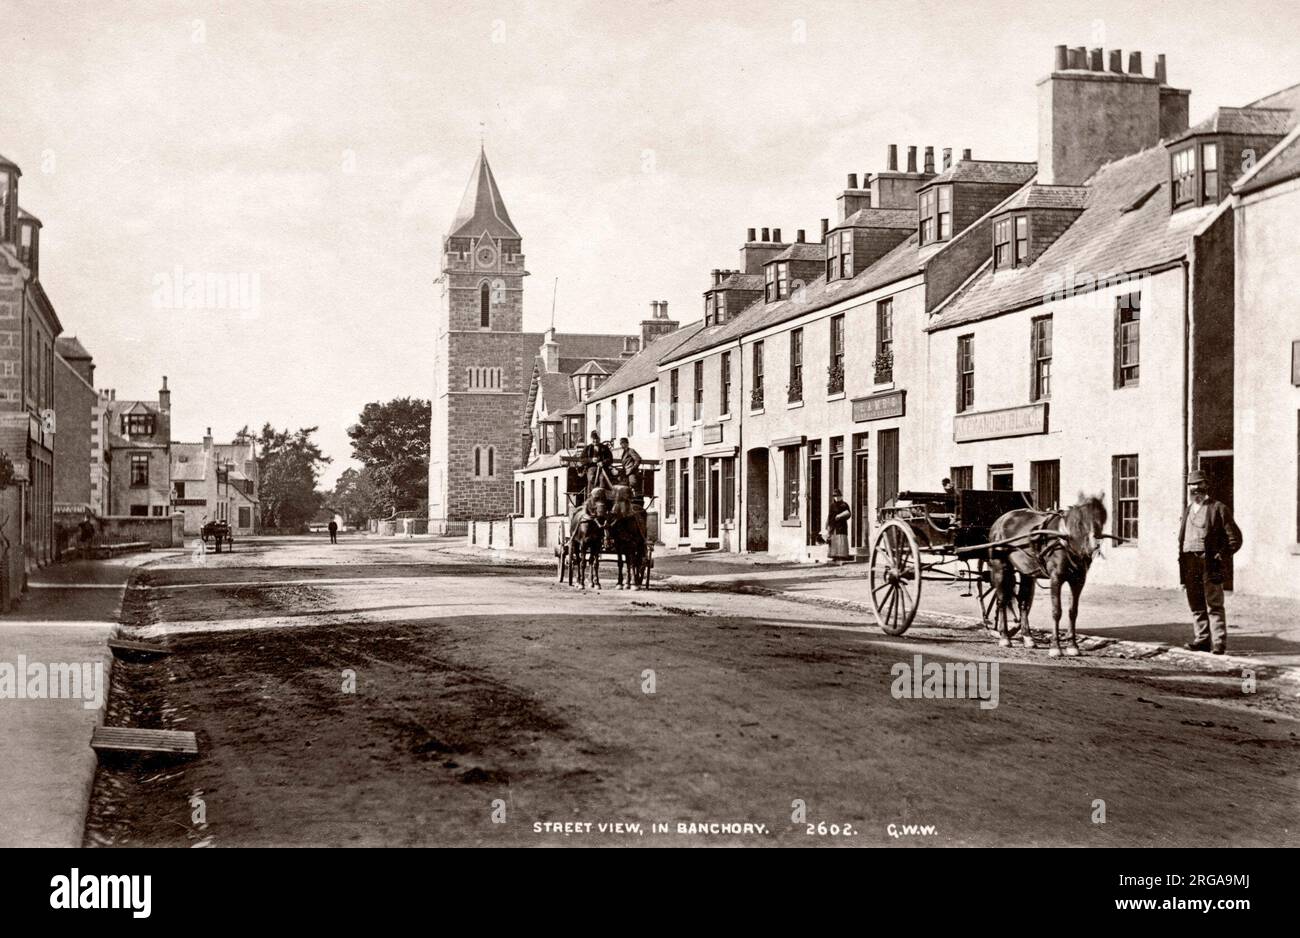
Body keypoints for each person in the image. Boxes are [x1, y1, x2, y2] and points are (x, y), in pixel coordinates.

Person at [1177, 469, 1243, 655]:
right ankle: (1202, 640)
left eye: (1199, 484)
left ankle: (1219, 643)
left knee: (1214, 604)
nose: (1195, 488)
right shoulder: (1188, 510)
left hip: (1209, 563)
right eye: (1192, 485)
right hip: (1190, 562)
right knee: (1196, 603)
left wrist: (1220, 555)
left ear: (1206, 486)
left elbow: (1235, 539)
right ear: (1188, 488)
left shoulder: (1218, 508)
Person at [824, 489, 852, 562]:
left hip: (841, 524)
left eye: (838, 496)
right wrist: (827, 524)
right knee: (833, 539)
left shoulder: (844, 505)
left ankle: (842, 555)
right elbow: (830, 515)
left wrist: (840, 515)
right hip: (833, 525)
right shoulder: (832, 505)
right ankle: (834, 555)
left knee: (841, 539)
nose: (836, 497)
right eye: (835, 496)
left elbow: (848, 513)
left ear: (841, 496)